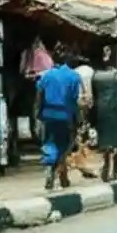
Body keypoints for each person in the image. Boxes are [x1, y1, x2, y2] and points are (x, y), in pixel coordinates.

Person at [36, 52, 81, 190]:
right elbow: (74, 99)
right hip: (65, 115)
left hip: (48, 114)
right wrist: (77, 118)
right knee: (64, 145)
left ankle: (52, 170)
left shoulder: (45, 76)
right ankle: (62, 174)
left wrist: (38, 115)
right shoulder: (74, 76)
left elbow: (39, 96)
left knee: (50, 142)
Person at [91, 46, 117, 181]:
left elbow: (94, 96)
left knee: (105, 141)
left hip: (102, 112)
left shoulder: (95, 76)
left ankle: (106, 165)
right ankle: (116, 167)